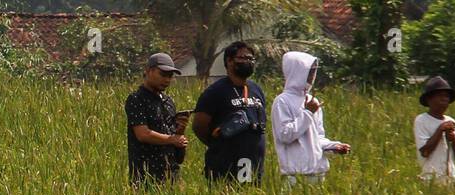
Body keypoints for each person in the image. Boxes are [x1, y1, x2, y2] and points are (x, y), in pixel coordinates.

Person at [192, 41, 268, 184]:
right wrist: (218, 143)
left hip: (253, 163)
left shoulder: (256, 89)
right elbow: (199, 126)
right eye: (243, 58)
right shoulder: (215, 92)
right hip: (225, 165)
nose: (248, 62)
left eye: (251, 59)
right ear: (229, 61)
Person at [271, 51, 350, 186]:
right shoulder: (282, 101)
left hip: (318, 173)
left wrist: (333, 146)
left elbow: (317, 138)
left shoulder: (312, 100)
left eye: (314, 71)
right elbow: (285, 135)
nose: (312, 76)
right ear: (297, 71)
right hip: (295, 177)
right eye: (309, 71)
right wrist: (308, 113)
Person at [125, 52, 189, 186]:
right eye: (163, 74)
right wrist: (172, 140)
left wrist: (180, 133)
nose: (166, 80)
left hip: (171, 175)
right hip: (146, 176)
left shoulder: (168, 102)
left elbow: (174, 140)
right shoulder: (137, 99)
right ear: (149, 71)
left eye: (170, 76)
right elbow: (143, 134)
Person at [415, 76, 455, 183]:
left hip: (450, 178)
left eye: (446, 96)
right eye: (440, 95)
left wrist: (453, 139)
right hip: (430, 178)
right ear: (429, 99)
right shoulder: (421, 120)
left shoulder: (451, 121)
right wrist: (440, 130)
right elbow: (425, 152)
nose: (444, 99)